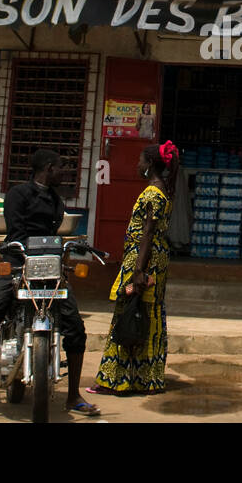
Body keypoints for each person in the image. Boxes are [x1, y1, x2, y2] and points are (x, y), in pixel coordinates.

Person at [0, 148, 100, 418]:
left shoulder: (56, 199)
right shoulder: (18, 194)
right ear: (49, 168)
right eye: (60, 166)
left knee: (75, 328)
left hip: (49, 269)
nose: (64, 172)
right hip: (17, 263)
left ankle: (73, 395)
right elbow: (16, 230)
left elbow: (53, 233)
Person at [90, 140, 178, 394]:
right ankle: (147, 379)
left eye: (141, 160)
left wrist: (139, 271)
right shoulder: (163, 191)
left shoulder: (152, 193)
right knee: (147, 316)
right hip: (155, 261)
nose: (137, 164)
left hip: (142, 261)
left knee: (127, 313)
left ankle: (115, 380)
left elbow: (147, 234)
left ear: (150, 164)